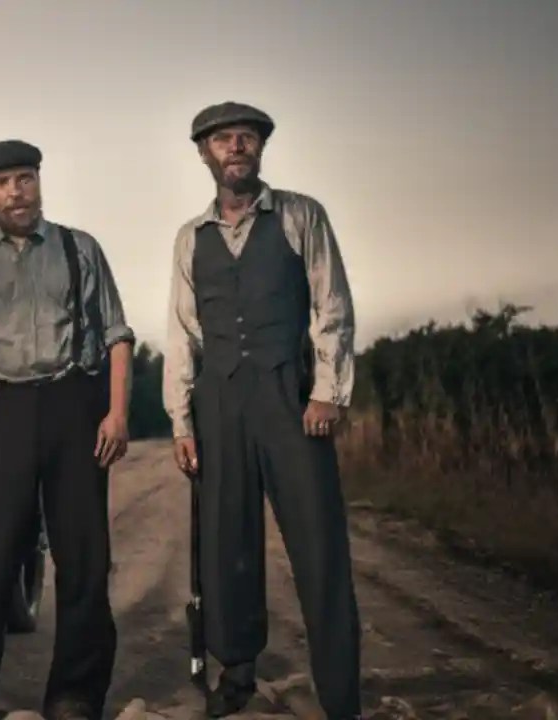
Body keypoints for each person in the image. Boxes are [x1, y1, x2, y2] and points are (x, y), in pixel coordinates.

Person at [162, 101, 363, 719]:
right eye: (223, 140)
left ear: (261, 149)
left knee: (318, 545)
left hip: (288, 395)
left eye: (247, 138)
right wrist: (182, 420)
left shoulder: (302, 214)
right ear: (204, 153)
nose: (236, 147)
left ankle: (340, 694)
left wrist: (328, 391)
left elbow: (332, 305)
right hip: (220, 401)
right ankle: (237, 672)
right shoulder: (190, 237)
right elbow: (181, 331)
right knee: (228, 546)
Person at [0, 139, 135, 720]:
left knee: (84, 557)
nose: (17, 191)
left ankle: (74, 695)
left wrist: (116, 413)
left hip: (74, 404)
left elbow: (117, 335)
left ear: (38, 182)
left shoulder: (78, 247)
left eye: (26, 178)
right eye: (2, 183)